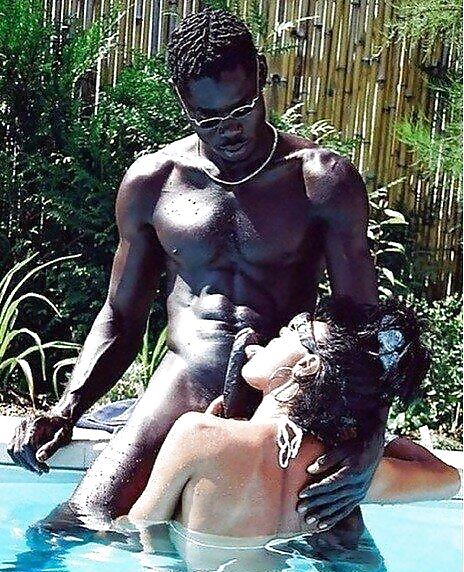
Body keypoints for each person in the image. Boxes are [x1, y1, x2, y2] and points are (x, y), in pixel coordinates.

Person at [9, 8, 381, 524]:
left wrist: (368, 437)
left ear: (261, 75)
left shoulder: (321, 181)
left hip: (285, 396)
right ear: (182, 101)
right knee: (75, 523)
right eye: (207, 118)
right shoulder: (154, 184)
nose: (228, 130)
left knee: (337, 545)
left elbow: (362, 321)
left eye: (242, 109)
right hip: (184, 380)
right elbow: (120, 316)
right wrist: (65, 409)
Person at [125, 301, 460, 537]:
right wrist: (374, 440)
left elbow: (137, 532)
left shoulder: (197, 435)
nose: (277, 334)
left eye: (291, 334)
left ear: (307, 367)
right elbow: (449, 479)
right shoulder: (340, 479)